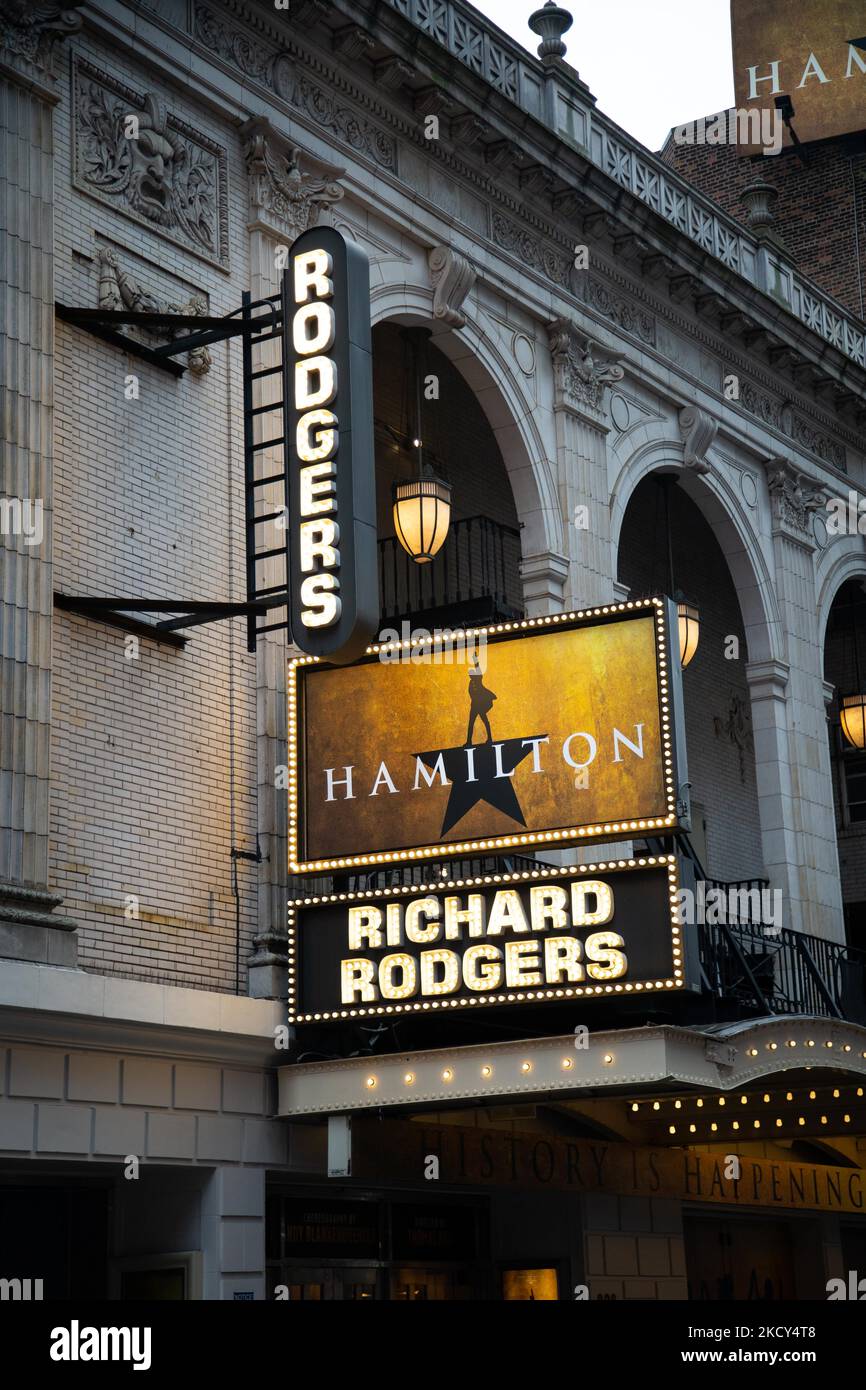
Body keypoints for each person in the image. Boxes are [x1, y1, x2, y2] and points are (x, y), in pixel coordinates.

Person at [465, 650, 496, 745]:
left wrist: (475, 658)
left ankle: (490, 738)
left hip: (481, 705)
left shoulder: (478, 678)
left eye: (472, 673)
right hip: (474, 706)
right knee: (471, 723)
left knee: (485, 721)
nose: (470, 675)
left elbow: (477, 666)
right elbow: (470, 694)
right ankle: (469, 741)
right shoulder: (470, 683)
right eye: (469, 674)